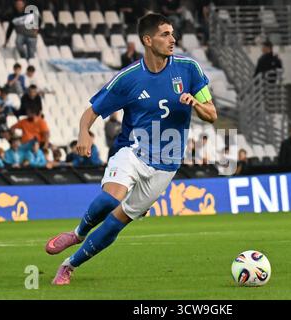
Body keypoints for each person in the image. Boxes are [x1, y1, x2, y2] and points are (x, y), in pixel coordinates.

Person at [45, 13, 217, 285]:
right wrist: (83, 133)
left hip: (167, 165)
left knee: (117, 222)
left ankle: (69, 265)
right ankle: (78, 232)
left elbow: (212, 114)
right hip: (132, 151)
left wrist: (196, 102)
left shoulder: (189, 69)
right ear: (148, 40)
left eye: (172, 33)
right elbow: (91, 112)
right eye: (165, 34)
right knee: (111, 199)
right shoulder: (128, 78)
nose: (172, 39)